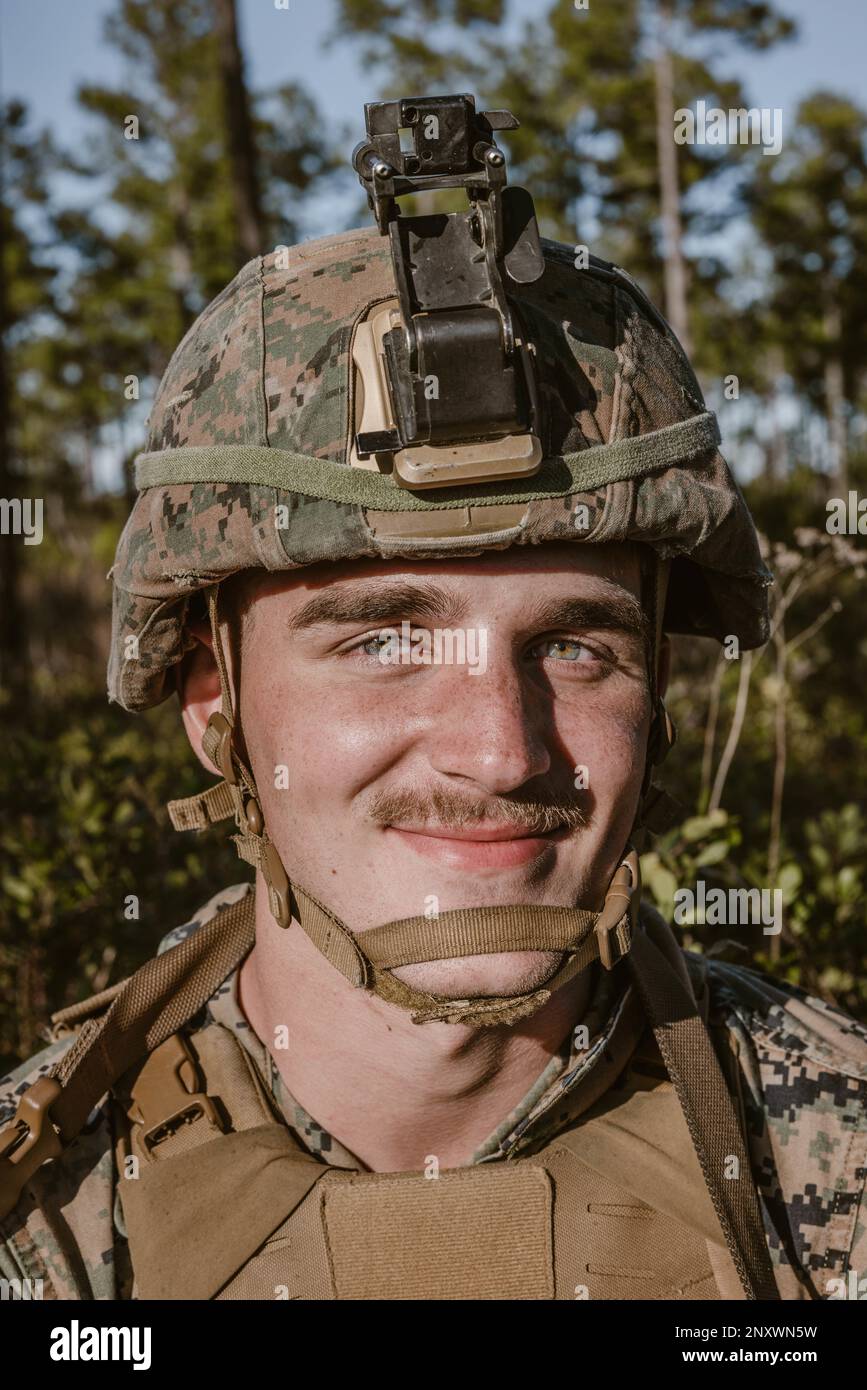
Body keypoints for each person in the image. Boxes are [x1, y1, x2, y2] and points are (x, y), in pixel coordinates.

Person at [1, 95, 864, 1303]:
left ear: (659, 689)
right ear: (212, 699)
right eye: (386, 641)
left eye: (574, 646)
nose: (501, 753)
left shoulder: (830, 1159)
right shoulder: (40, 1221)